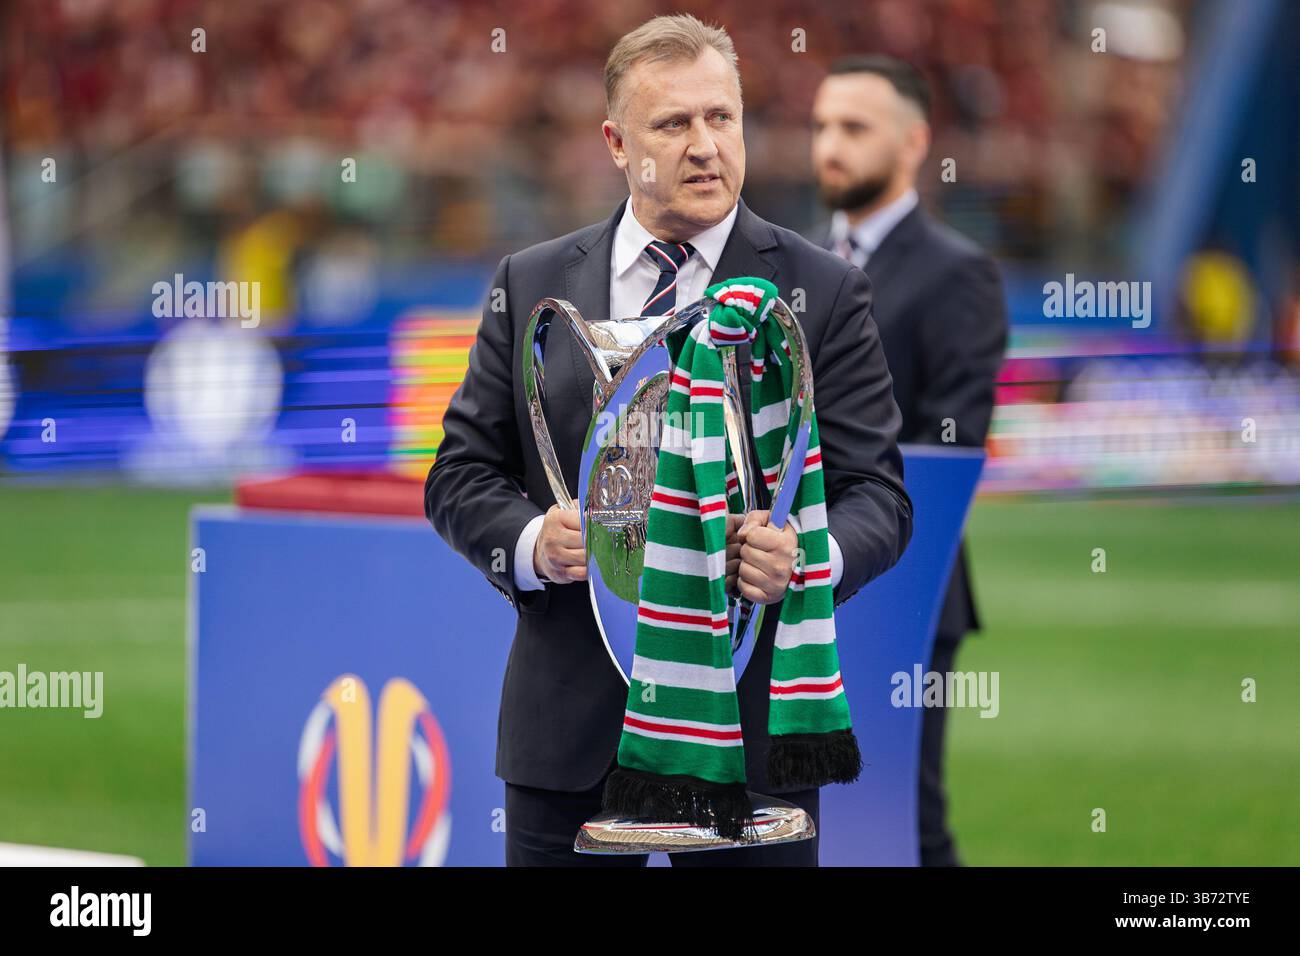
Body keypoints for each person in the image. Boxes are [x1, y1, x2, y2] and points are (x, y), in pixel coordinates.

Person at [426, 15, 912, 867]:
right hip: (567, 734)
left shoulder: (822, 292)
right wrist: (538, 542)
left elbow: (881, 496)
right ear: (617, 142)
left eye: (721, 118)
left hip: (749, 742)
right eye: (673, 124)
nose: (705, 146)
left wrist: (805, 558)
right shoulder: (531, 283)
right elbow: (461, 473)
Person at [809, 55, 1008, 866]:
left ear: (915, 140)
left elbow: (944, 446)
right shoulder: (786, 266)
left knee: (903, 822)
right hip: (780, 584)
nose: (829, 145)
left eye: (853, 128)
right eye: (821, 125)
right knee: (798, 819)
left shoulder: (959, 274)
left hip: (907, 586)